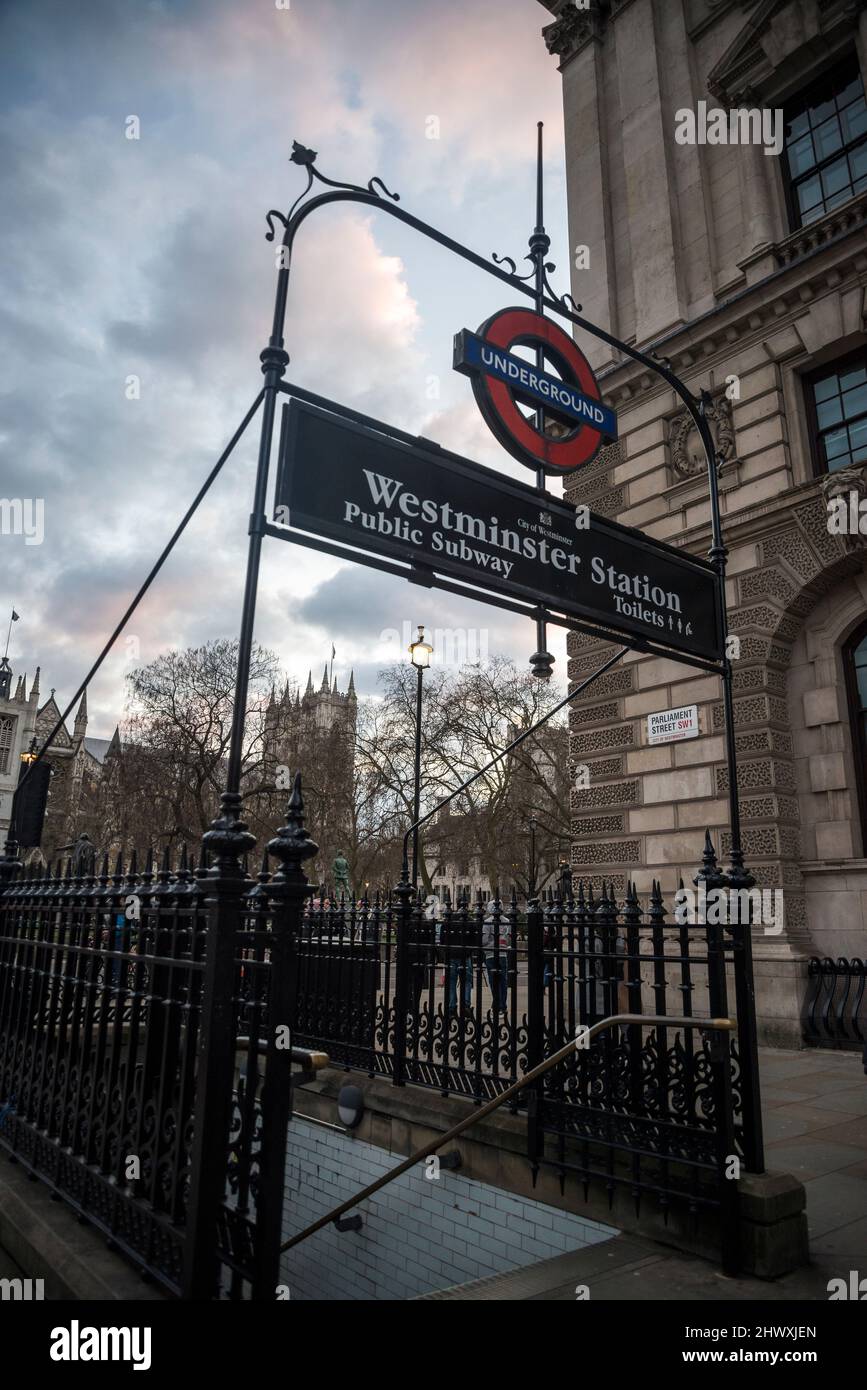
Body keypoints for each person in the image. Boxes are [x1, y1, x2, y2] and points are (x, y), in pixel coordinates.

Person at [482, 903, 511, 1012]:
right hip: (503, 953)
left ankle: (498, 1006)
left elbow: (484, 940)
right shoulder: (507, 921)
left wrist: (491, 943)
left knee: (494, 981)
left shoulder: (488, 922)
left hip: (490, 954)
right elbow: (509, 939)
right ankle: (502, 1006)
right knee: (503, 981)